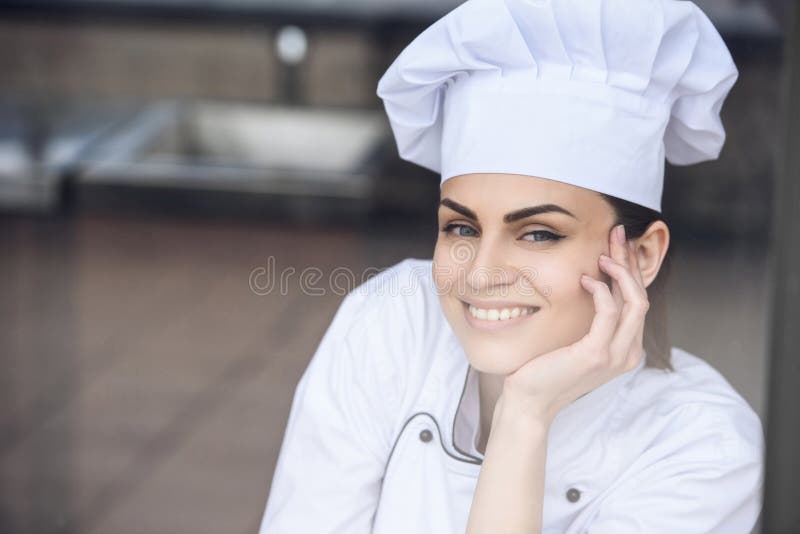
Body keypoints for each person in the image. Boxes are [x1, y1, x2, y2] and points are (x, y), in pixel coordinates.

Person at [258, 0, 765, 532]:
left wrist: (525, 415)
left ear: (641, 256)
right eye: (462, 228)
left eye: (539, 234)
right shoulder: (393, 322)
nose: (481, 273)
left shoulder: (703, 448)